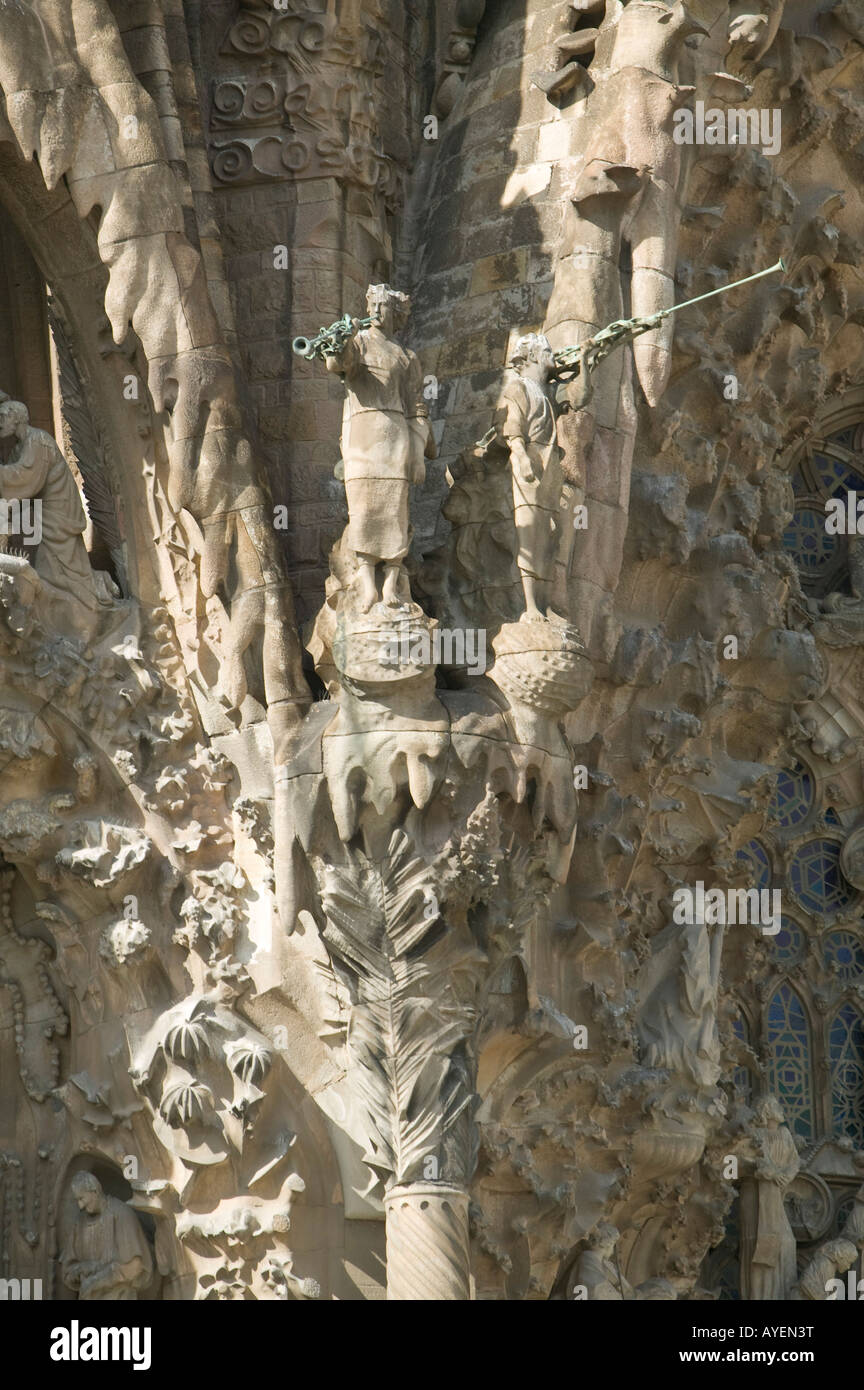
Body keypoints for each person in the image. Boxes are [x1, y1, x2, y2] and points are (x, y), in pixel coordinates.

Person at [326, 284, 433, 612]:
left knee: (394, 509)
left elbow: (416, 406)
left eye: (383, 306)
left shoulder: (406, 357)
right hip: (362, 435)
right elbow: (337, 364)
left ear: (395, 313)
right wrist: (337, 343)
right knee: (363, 508)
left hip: (395, 437)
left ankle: (391, 584)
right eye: (371, 303)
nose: (375, 310)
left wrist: (417, 451)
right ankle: (367, 582)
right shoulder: (357, 343)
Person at [0, 398, 106, 605]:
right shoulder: (20, 447)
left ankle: (91, 597)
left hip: (57, 511)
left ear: (18, 418)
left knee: (60, 565)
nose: (0, 423)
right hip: (43, 512)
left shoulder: (38, 440)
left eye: (3, 417)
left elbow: (26, 477)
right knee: (51, 566)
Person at [500, 334, 564, 622]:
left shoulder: (546, 392)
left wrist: (585, 363)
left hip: (549, 464)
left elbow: (581, 396)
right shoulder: (518, 387)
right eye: (547, 351)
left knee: (548, 533)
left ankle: (542, 600)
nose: (552, 354)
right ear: (534, 356)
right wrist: (521, 456)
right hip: (529, 461)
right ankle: (529, 605)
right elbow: (513, 424)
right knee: (528, 530)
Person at [739, 1095, 800, 1300]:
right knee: (757, 1242)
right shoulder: (753, 1134)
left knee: (786, 1241)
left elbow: (794, 1161)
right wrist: (760, 1170)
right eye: (776, 1105)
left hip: (777, 1194)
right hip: (754, 1195)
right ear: (765, 1110)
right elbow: (733, 1164)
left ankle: (781, 1294)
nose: (781, 1109)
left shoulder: (784, 1134)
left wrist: (785, 1175)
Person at [62, 1172, 153, 1300]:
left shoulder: (122, 1214)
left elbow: (135, 1266)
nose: (80, 1205)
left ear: (94, 1191)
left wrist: (97, 1281)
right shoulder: (80, 1224)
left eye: (82, 1198)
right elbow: (68, 1270)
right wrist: (81, 1269)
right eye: (77, 1200)